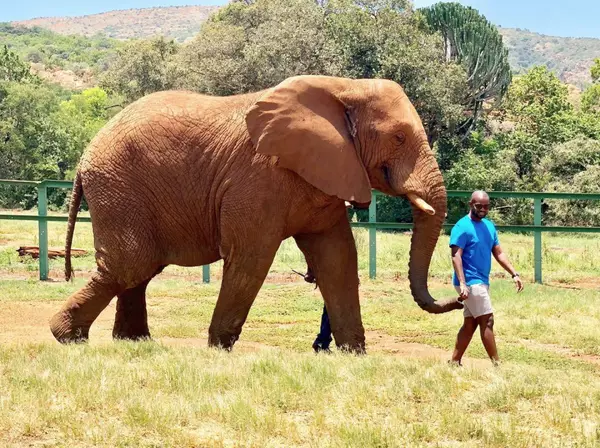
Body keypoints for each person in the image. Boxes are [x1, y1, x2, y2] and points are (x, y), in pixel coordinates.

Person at [449, 190, 524, 366]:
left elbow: (499, 253)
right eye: (479, 206)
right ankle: (497, 365)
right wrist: (462, 283)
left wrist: (514, 274)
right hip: (469, 282)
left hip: (481, 281)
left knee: (470, 324)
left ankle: (454, 362)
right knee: (487, 320)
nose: (483, 209)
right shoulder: (461, 227)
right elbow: (456, 256)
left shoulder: (489, 226)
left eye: (486, 206)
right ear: (470, 205)